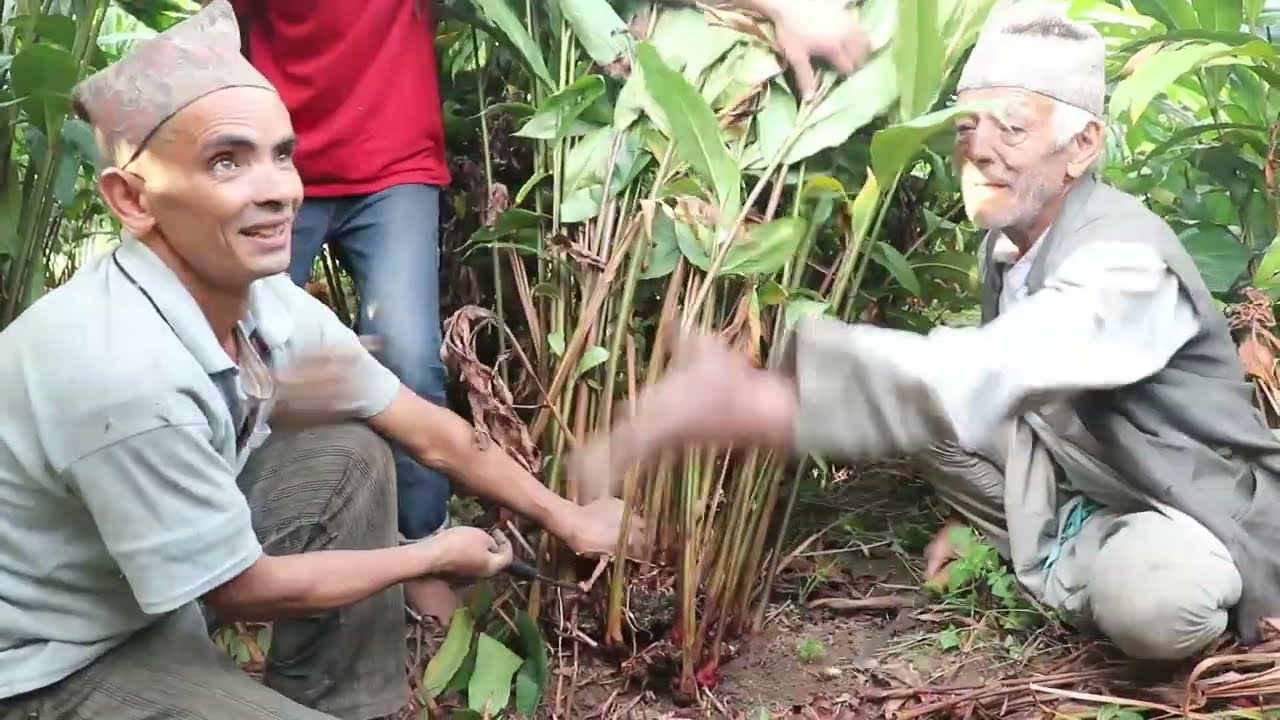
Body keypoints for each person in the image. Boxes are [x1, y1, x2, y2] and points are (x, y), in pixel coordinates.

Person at [570, 4, 1280, 663]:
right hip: (1076, 477)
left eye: (1012, 127)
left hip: (1183, 501)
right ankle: (1049, 538)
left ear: (1082, 145)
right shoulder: (1006, 246)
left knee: (1153, 600)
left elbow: (1008, 365)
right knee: (930, 416)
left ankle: (1095, 558)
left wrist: (768, 403)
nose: (981, 150)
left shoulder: (1125, 258)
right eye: (967, 128)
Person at [0, 3, 639, 718]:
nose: (279, 190)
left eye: (282, 155)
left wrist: (567, 518)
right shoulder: (123, 376)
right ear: (132, 200)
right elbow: (239, 589)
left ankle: (341, 702)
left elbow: (427, 429)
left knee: (348, 453)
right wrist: (430, 555)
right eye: (226, 162)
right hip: (46, 660)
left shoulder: (264, 300)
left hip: (134, 593)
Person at [217, 0, 872, 562]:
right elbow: (221, 41)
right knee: (240, 366)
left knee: (411, 362)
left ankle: (424, 549)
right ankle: (234, 559)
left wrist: (785, 7)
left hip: (393, 167)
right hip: (279, 168)